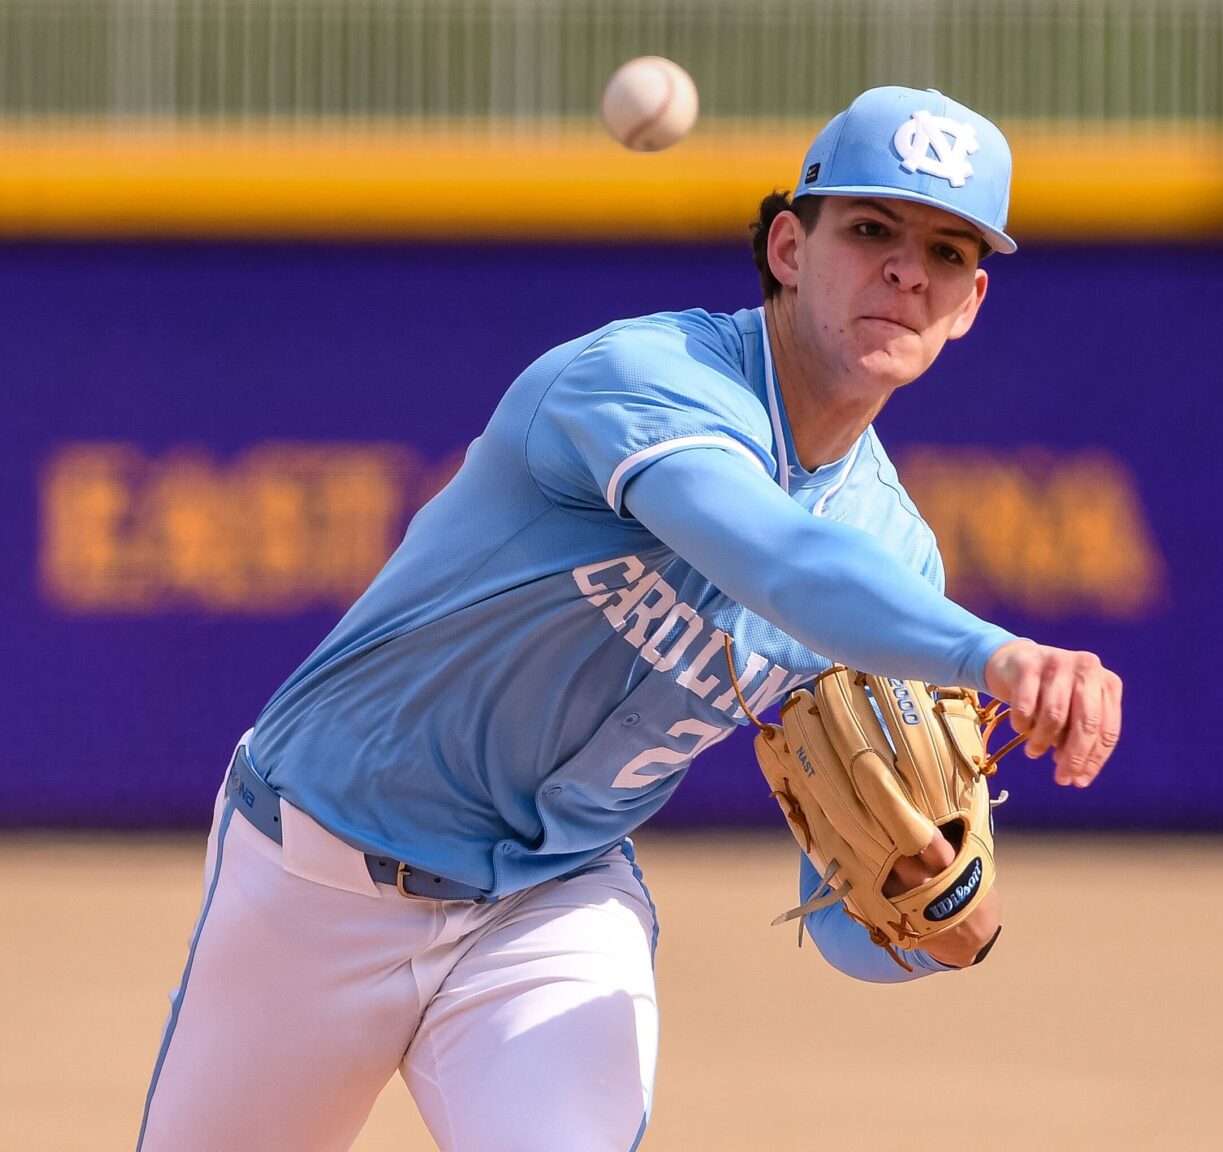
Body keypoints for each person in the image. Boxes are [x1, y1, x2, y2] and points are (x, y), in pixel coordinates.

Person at [136, 85, 1124, 1152]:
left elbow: (841, 920)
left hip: (549, 907)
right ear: (789, 246)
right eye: (871, 228)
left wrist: (938, 916)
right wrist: (995, 653)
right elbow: (778, 560)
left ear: (969, 303)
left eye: (943, 252)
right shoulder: (645, 378)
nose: (903, 269)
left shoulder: (896, 557)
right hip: (314, 870)